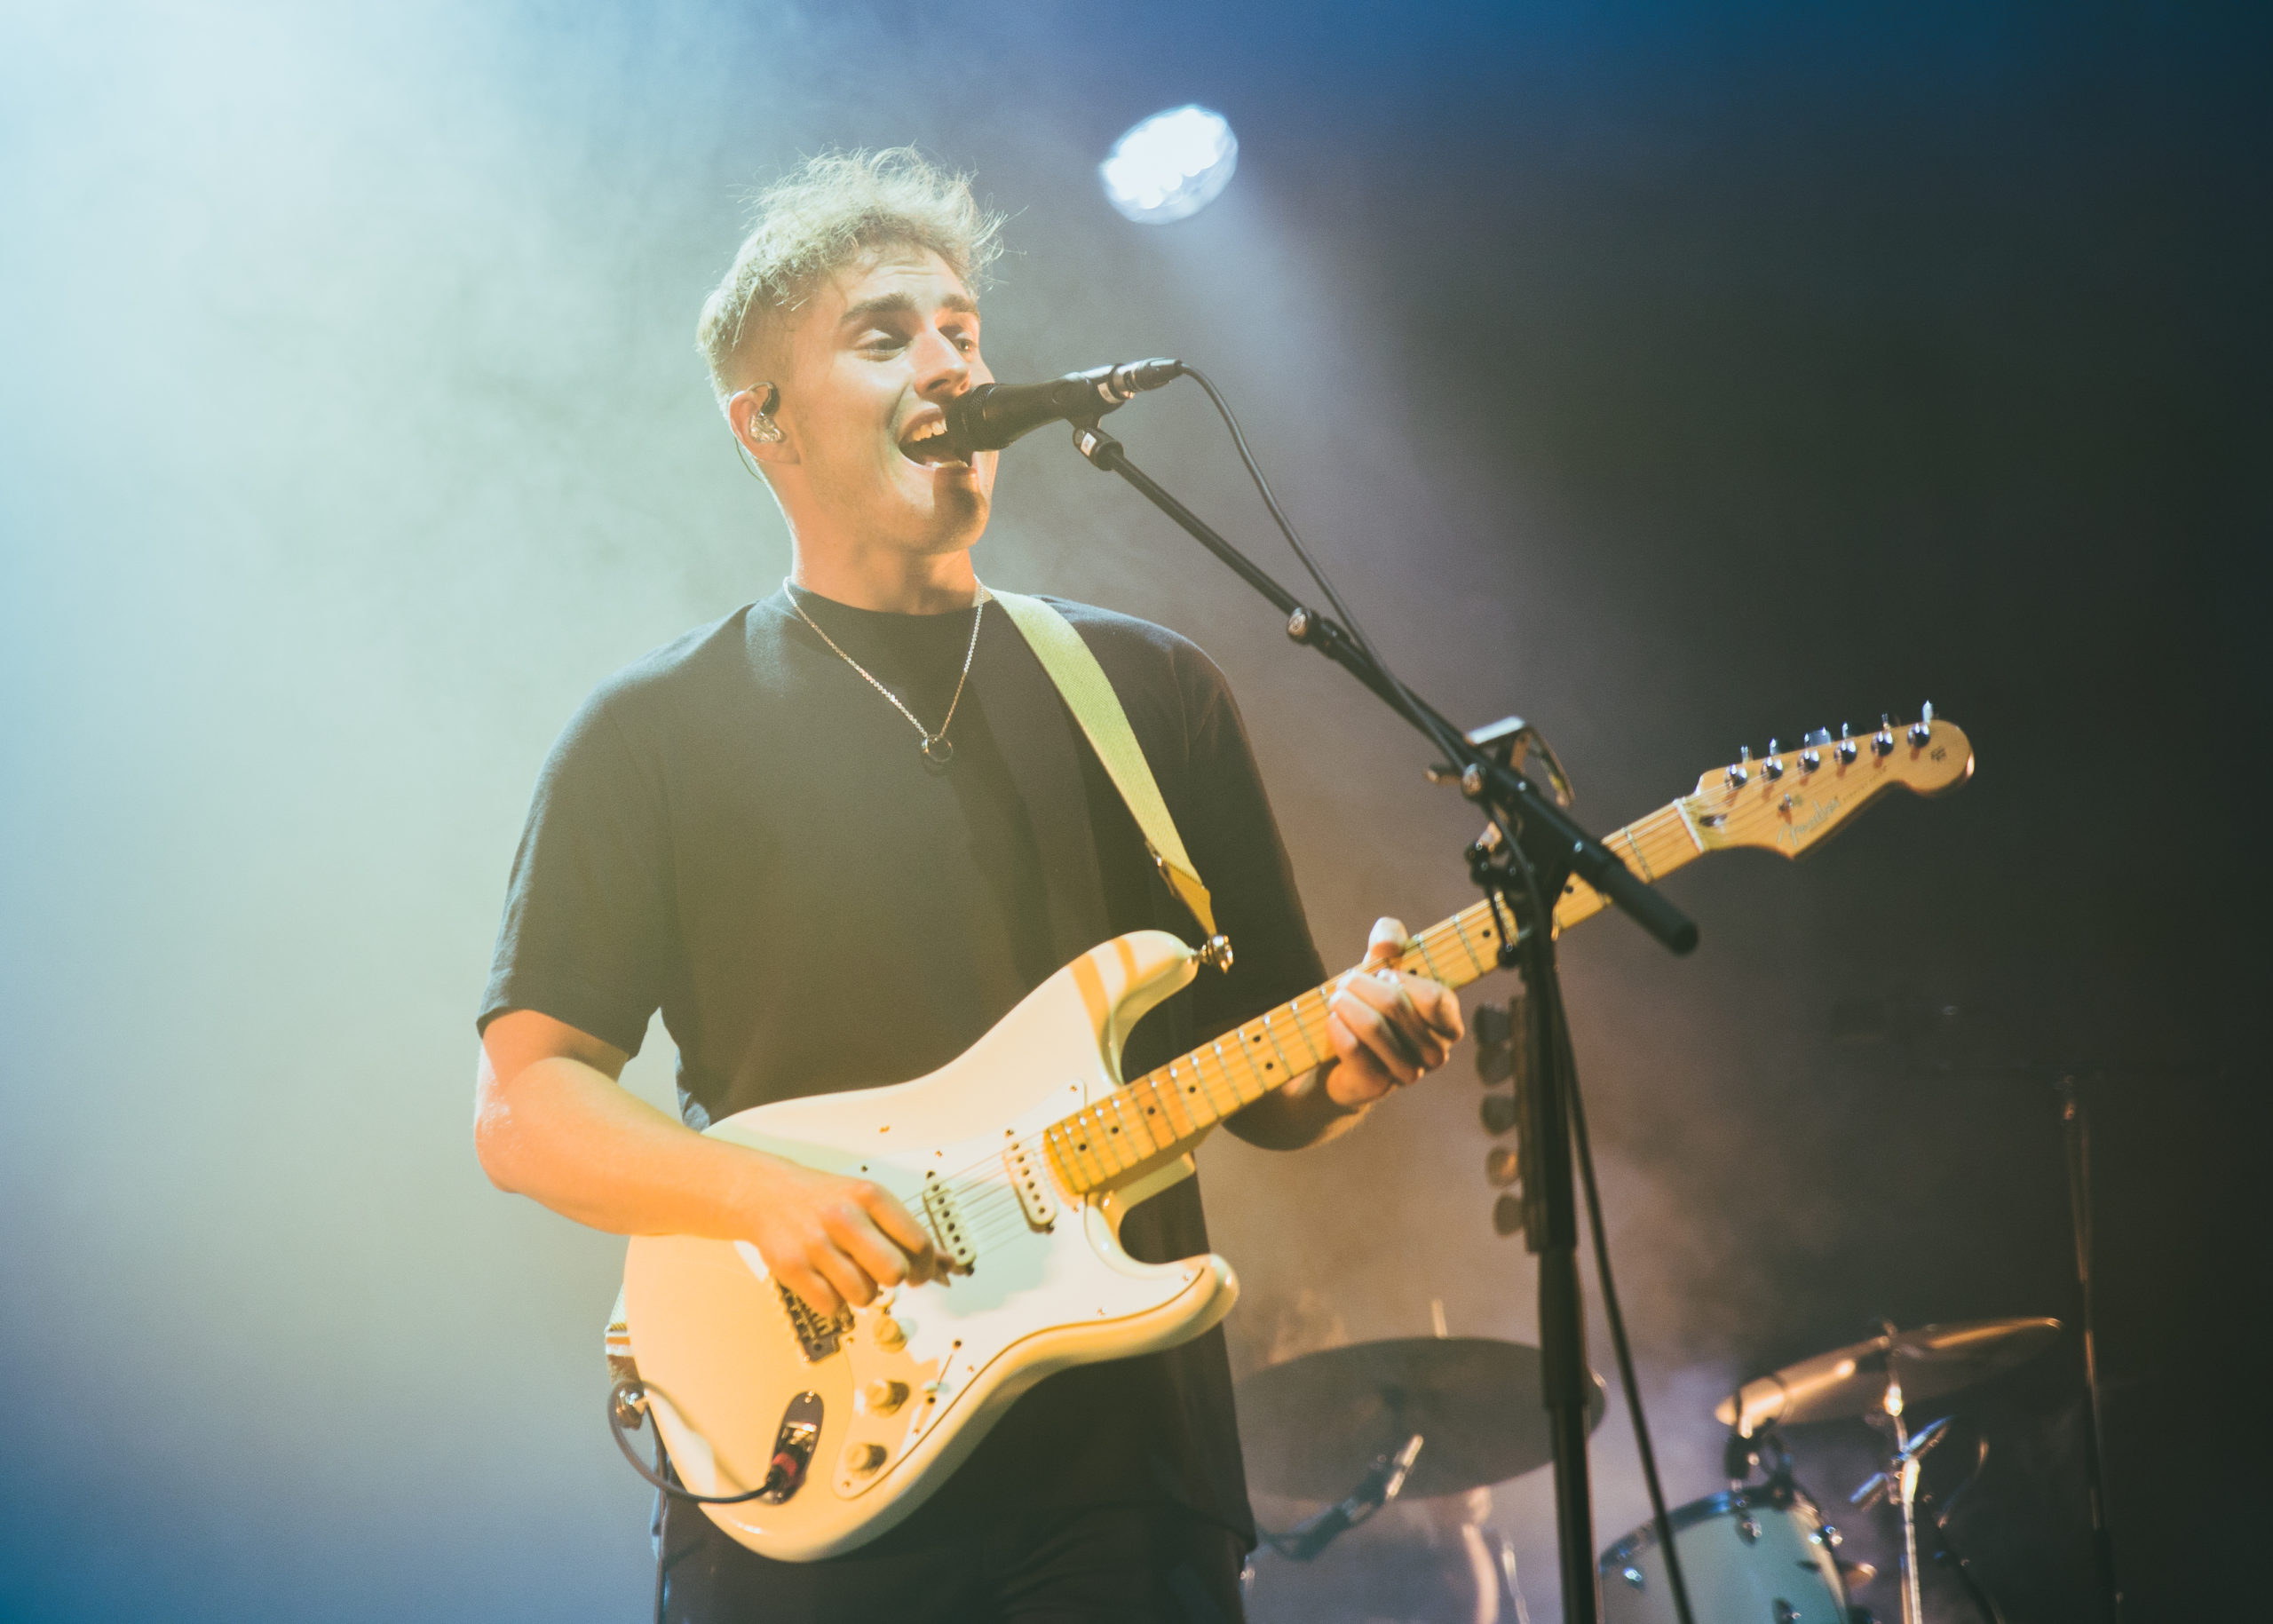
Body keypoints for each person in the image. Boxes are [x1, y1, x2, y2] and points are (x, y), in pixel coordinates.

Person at [472, 148, 1465, 1624]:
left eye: (963, 330)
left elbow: (1264, 1080)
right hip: (806, 1467)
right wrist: (764, 1195)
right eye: (884, 335)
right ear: (768, 426)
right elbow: (527, 1106)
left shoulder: (1149, 692)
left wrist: (1356, 1053)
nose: (948, 361)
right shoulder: (653, 732)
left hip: (1127, 1481)